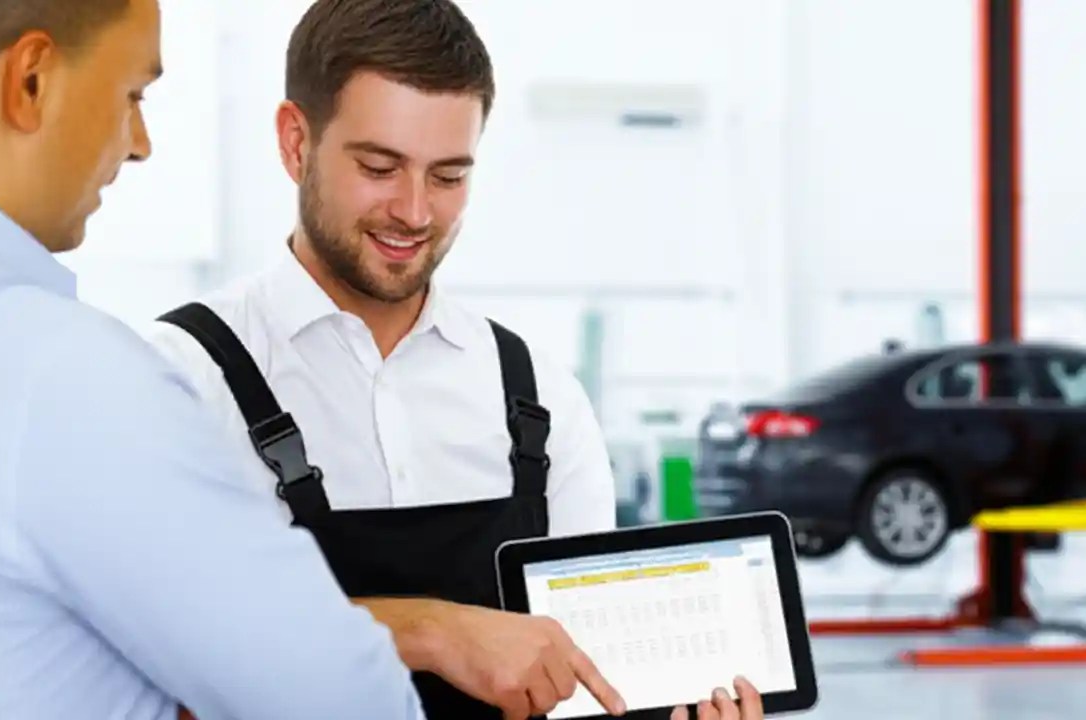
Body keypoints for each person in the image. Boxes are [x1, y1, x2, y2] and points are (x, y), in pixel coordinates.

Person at [143, 1, 768, 719]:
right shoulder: (180, 380)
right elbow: (162, 653)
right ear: (294, 142)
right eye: (380, 167)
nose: (414, 212)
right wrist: (433, 632)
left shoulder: (540, 397)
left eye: (448, 177)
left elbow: (584, 690)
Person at [0, 0, 428, 718]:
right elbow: (347, 700)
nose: (139, 143)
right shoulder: (60, 374)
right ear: (30, 81)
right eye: (133, 94)